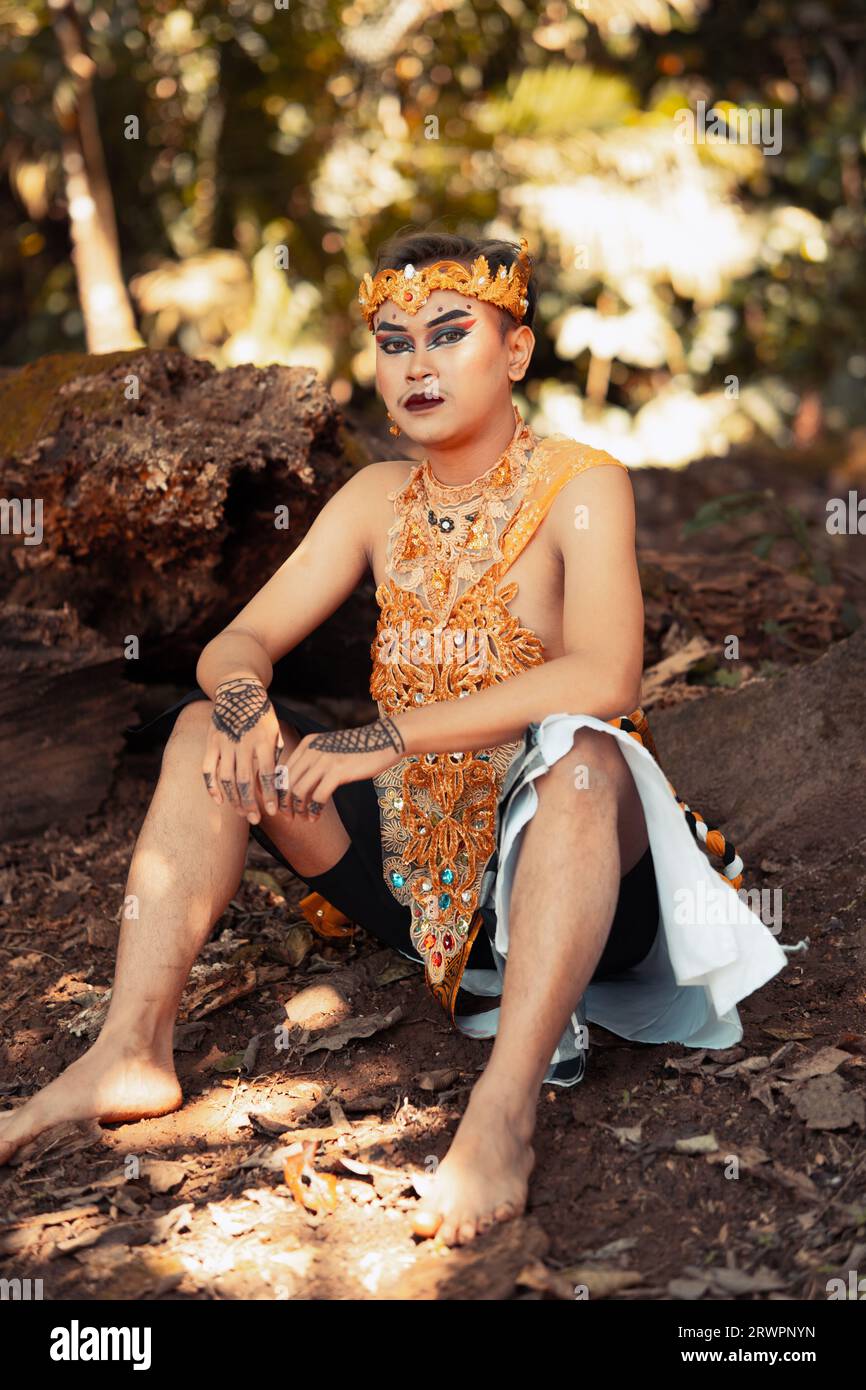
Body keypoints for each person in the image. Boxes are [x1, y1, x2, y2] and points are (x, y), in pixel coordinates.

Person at [0, 232, 789, 1248]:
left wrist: (388, 734)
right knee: (203, 726)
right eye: (392, 340)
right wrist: (246, 709)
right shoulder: (374, 500)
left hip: (575, 864)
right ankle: (130, 1046)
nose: (416, 362)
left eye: (449, 334)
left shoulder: (582, 484)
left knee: (585, 759)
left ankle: (503, 1108)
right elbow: (237, 642)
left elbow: (603, 676)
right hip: (415, 874)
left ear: (514, 352)